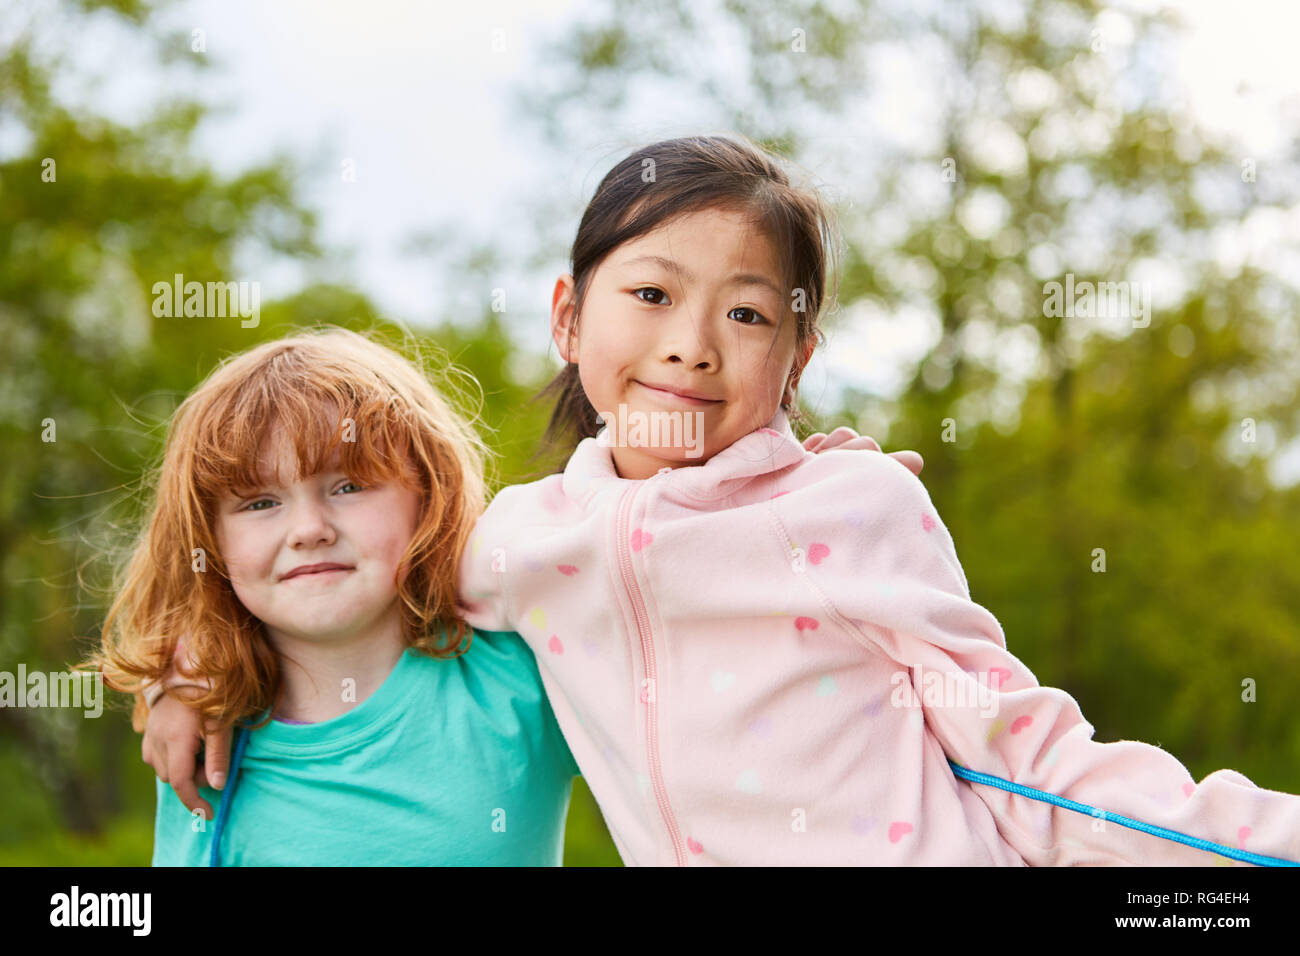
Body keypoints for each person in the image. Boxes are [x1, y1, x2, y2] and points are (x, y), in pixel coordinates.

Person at [452, 134, 1300, 865]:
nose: (691, 347)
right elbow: (382, 603)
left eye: (747, 314)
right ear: (567, 318)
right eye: (651, 295)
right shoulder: (518, 544)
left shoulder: (850, 509)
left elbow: (1023, 758)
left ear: (799, 360)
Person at [90, 329, 579, 865]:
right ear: (209, 539)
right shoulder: (207, 713)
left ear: (430, 494)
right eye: (259, 503)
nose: (308, 529)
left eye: (349, 486)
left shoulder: (520, 673)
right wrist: (173, 685)